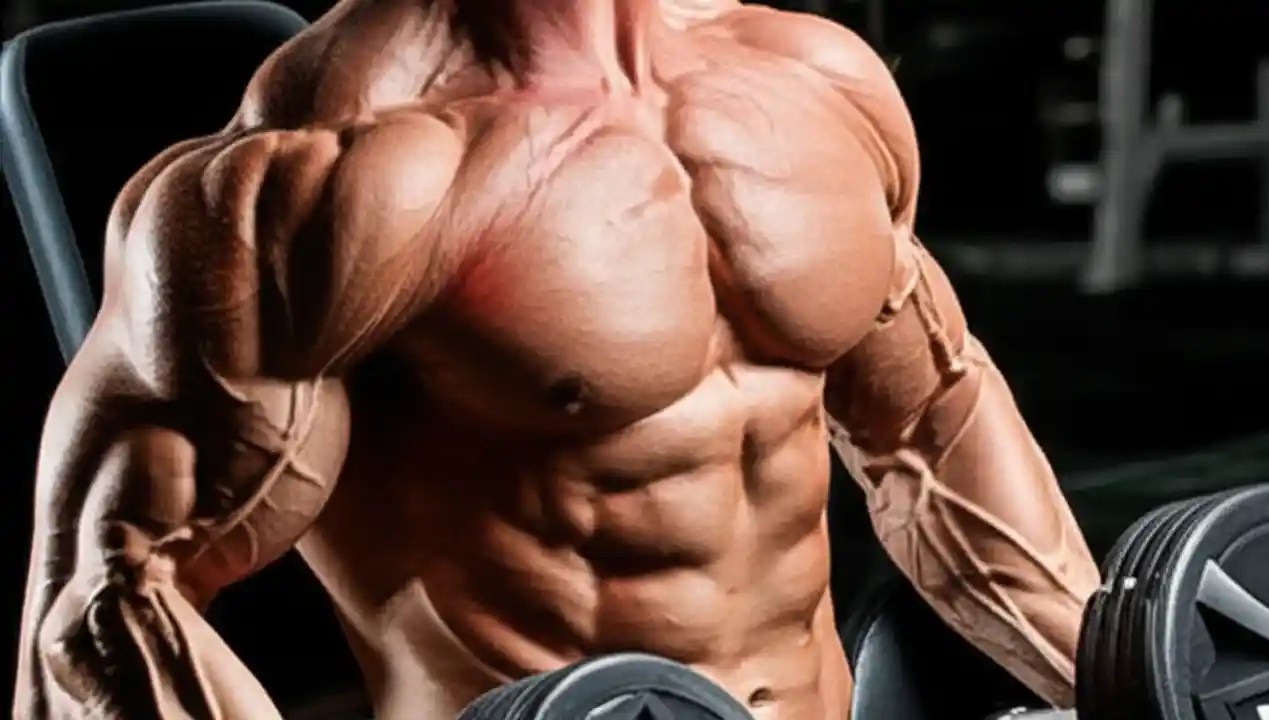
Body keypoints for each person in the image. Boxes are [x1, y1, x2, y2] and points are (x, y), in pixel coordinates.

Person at [12, 0, 1102, 717]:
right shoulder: (338, 175)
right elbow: (106, 598)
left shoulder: (813, 81)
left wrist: (1123, 685)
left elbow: (930, 430)